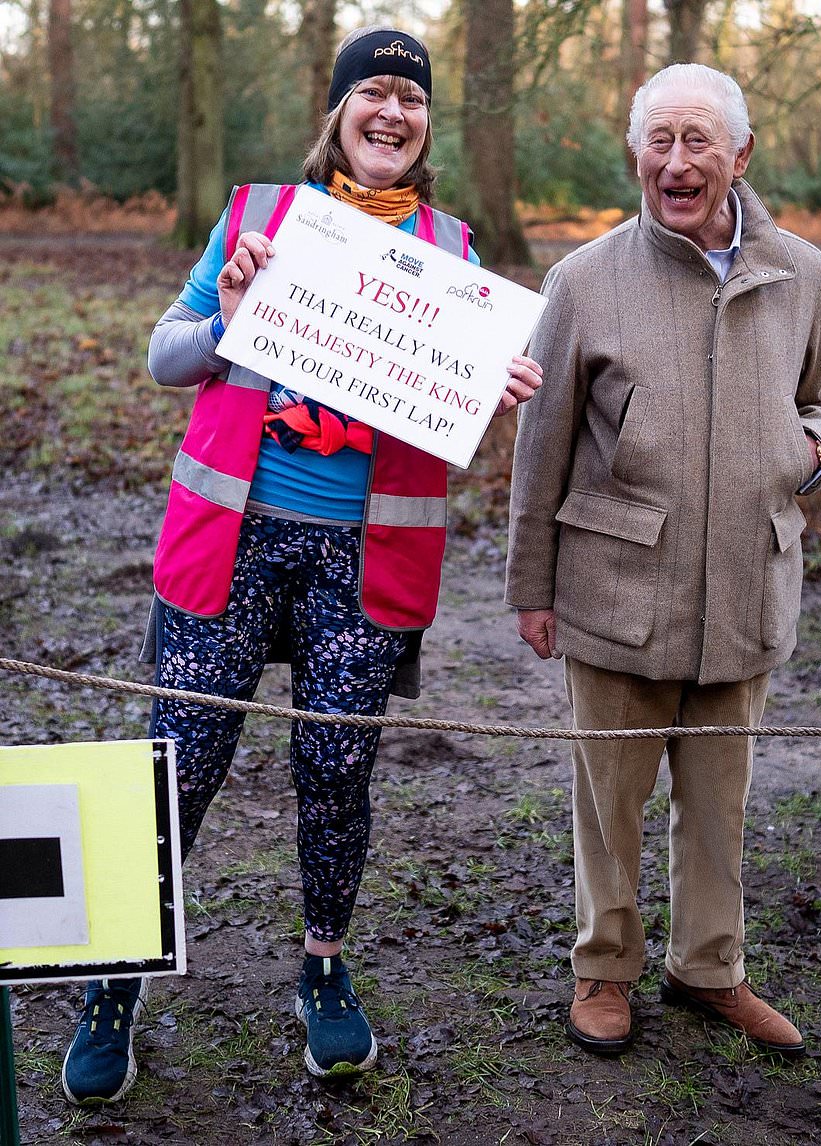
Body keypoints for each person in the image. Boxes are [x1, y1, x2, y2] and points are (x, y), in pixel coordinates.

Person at [58, 26, 544, 1103]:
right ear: (338, 111)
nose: (391, 112)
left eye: (410, 99)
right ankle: (115, 985)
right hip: (229, 544)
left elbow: (442, 407)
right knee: (179, 762)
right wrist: (227, 320)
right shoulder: (255, 219)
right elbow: (161, 358)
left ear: (426, 127)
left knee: (336, 771)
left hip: (362, 563)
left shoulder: (456, 257)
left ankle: (324, 967)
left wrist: (490, 385)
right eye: (371, 91)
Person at [506, 63, 821, 1057]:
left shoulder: (802, 272)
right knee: (609, 807)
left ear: (740, 156)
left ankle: (711, 968)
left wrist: (815, 449)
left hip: (747, 584)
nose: (675, 161)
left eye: (698, 141)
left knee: (719, 807)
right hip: (617, 593)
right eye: (658, 141)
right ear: (635, 155)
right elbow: (540, 452)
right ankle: (603, 970)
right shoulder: (583, 281)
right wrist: (530, 588)